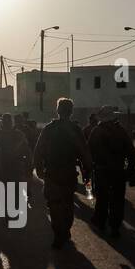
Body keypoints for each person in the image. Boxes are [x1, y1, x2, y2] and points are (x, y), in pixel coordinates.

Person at [32, 97, 91, 249]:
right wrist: (87, 172)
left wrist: (38, 169)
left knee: (54, 205)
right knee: (67, 204)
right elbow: (84, 153)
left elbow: (38, 151)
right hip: (68, 174)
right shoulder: (75, 129)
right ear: (71, 112)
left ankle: (60, 233)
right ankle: (64, 231)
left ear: (58, 110)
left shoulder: (49, 129)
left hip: (52, 174)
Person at [88, 105, 135, 237]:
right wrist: (129, 170)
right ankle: (115, 227)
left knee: (102, 198)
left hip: (101, 171)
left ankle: (101, 222)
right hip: (118, 172)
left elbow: (88, 152)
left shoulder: (96, 131)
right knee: (117, 200)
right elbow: (131, 153)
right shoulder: (120, 131)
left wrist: (88, 168)